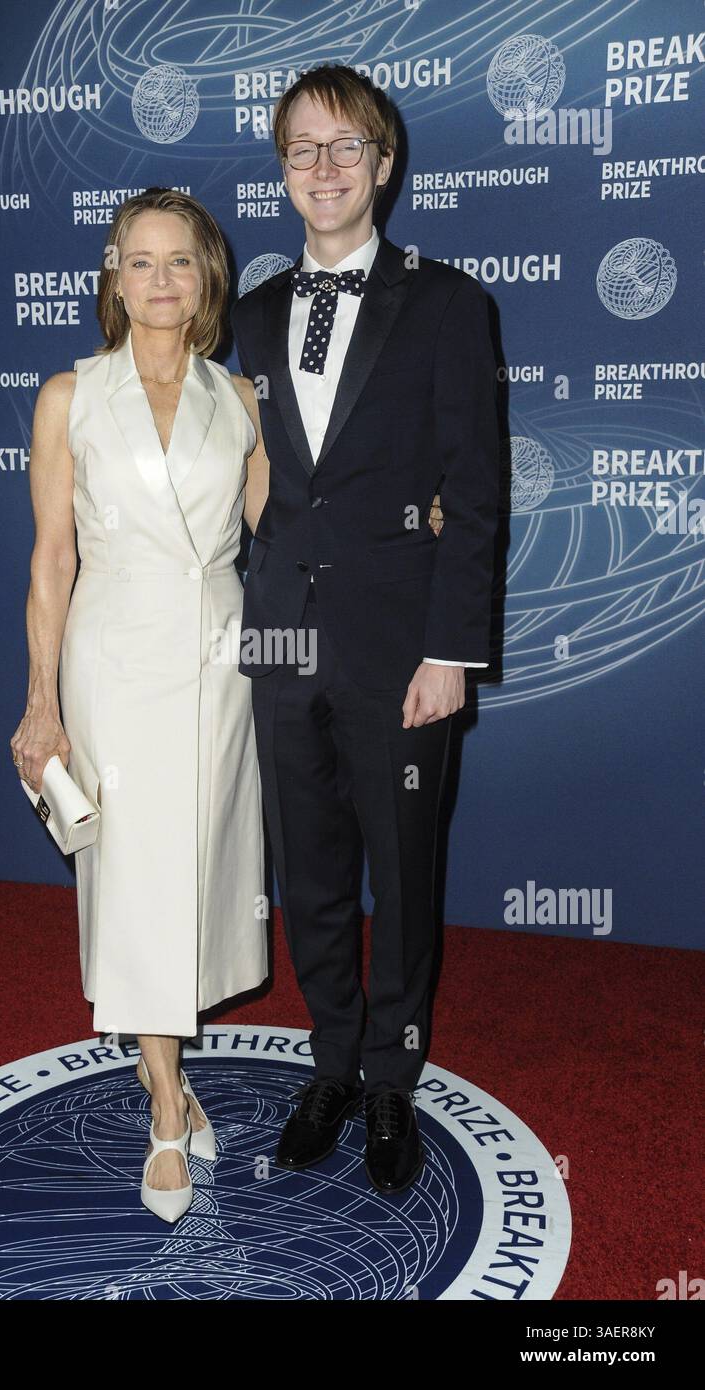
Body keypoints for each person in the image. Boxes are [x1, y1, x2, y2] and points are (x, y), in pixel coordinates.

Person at [230, 65, 501, 1193]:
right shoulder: (246, 314)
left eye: (348, 148)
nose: (326, 168)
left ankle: (392, 1079)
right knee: (312, 869)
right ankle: (330, 1060)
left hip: (402, 644)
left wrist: (449, 652)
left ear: (384, 166)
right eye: (303, 149)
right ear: (282, 171)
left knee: (403, 864)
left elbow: (475, 489)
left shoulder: (448, 303)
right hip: (279, 634)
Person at [10, 188, 269, 1223]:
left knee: (195, 874)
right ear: (113, 277)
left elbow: (285, 531)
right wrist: (40, 703)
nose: (160, 282)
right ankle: (167, 1100)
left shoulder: (241, 401)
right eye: (140, 262)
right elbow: (52, 557)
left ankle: (164, 1064)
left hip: (218, 658)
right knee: (135, 877)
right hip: (112, 654)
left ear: (207, 278)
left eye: (181, 263)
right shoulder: (70, 396)